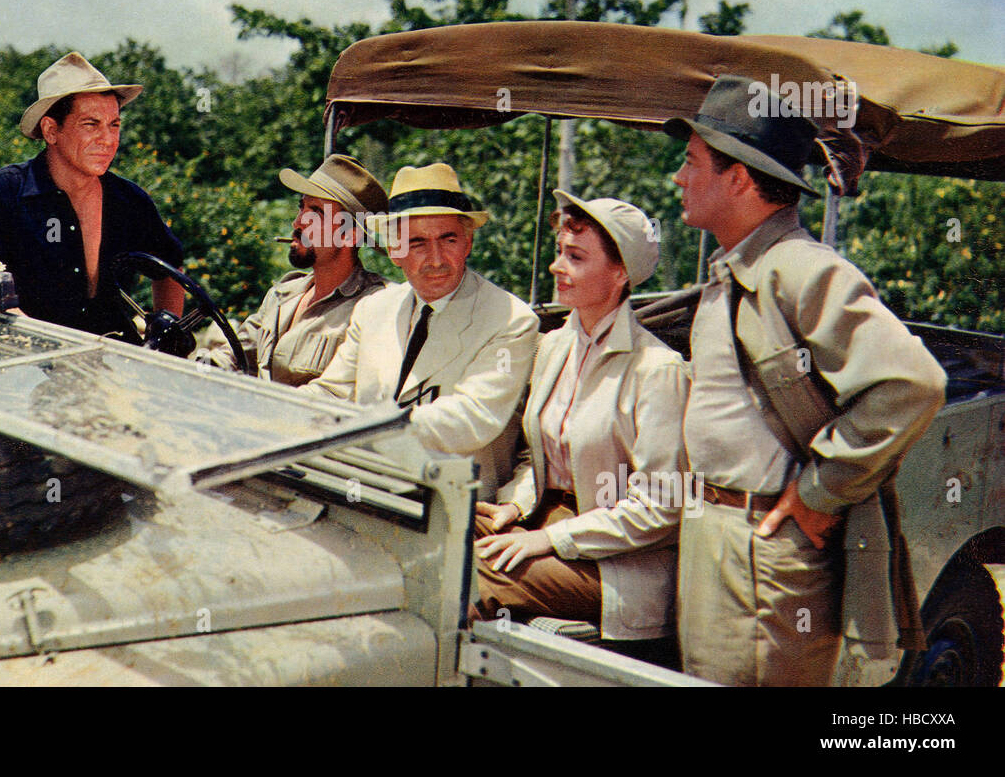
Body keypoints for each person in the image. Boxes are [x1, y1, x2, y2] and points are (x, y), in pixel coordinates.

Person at [666, 75, 946, 686]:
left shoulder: (797, 266)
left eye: (690, 163)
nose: (678, 178)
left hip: (760, 547)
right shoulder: (738, 267)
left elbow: (913, 384)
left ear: (738, 176)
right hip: (721, 535)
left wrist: (819, 493)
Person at [473, 193, 690, 658]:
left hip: (619, 563)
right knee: (445, 530)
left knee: (471, 571)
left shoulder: (657, 369)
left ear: (620, 274)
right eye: (558, 252)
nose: (556, 267)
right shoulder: (554, 345)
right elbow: (540, 456)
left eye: (575, 257)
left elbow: (662, 507)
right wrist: (514, 506)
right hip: (546, 524)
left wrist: (549, 539)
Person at [303, 163, 538, 499]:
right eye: (417, 243)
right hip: (366, 489)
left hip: (455, 506)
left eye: (449, 239)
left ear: (468, 243)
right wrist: (273, 409)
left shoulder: (510, 319)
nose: (436, 259)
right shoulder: (374, 310)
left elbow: (471, 418)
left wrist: (365, 427)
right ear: (395, 252)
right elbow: (331, 393)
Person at [0, 52, 183, 339]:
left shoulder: (129, 201)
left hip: (114, 362)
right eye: (90, 124)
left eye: (114, 125)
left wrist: (166, 331)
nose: (108, 140)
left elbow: (170, 268)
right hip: (21, 364)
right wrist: (39, 343)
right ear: (51, 130)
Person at [194, 154, 389, 385]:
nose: (297, 223)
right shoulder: (283, 294)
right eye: (301, 207)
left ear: (349, 235)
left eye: (315, 213)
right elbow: (234, 354)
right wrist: (192, 369)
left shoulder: (374, 306)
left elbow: (341, 394)